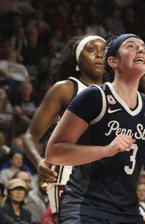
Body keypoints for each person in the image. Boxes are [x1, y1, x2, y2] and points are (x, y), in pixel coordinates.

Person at [45, 33, 145, 223]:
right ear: (113, 61)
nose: (141, 49)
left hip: (126, 210)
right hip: (86, 205)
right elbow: (54, 152)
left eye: (144, 47)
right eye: (131, 46)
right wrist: (105, 150)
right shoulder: (94, 97)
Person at [21, 35, 106, 217]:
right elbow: (30, 135)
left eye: (104, 51)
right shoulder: (65, 89)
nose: (100, 55)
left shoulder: (115, 93)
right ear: (78, 60)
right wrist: (39, 162)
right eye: (91, 50)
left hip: (104, 178)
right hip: (69, 175)